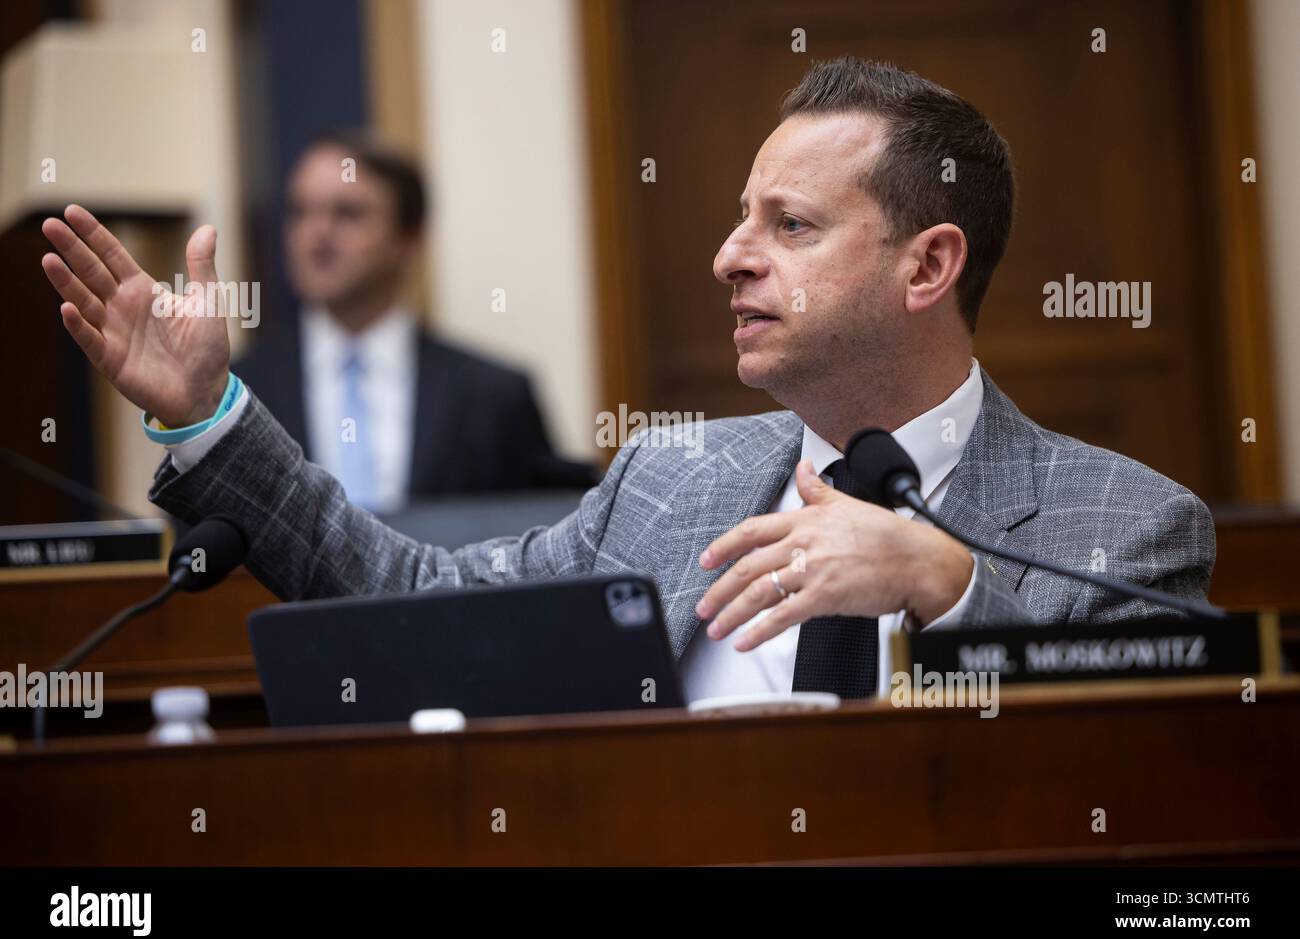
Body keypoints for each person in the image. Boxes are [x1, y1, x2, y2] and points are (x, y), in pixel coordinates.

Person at [38, 57, 1213, 702]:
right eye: (737, 218)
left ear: (928, 265)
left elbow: (1148, 792)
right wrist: (209, 412)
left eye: (789, 224)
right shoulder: (666, 478)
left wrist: (952, 590)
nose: (728, 256)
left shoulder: (1128, 524)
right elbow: (410, 597)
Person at [238, 130, 585, 512]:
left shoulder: (495, 395)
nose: (317, 234)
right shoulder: (241, 391)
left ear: (409, 237)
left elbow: (537, 544)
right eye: (300, 213)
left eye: (347, 213)